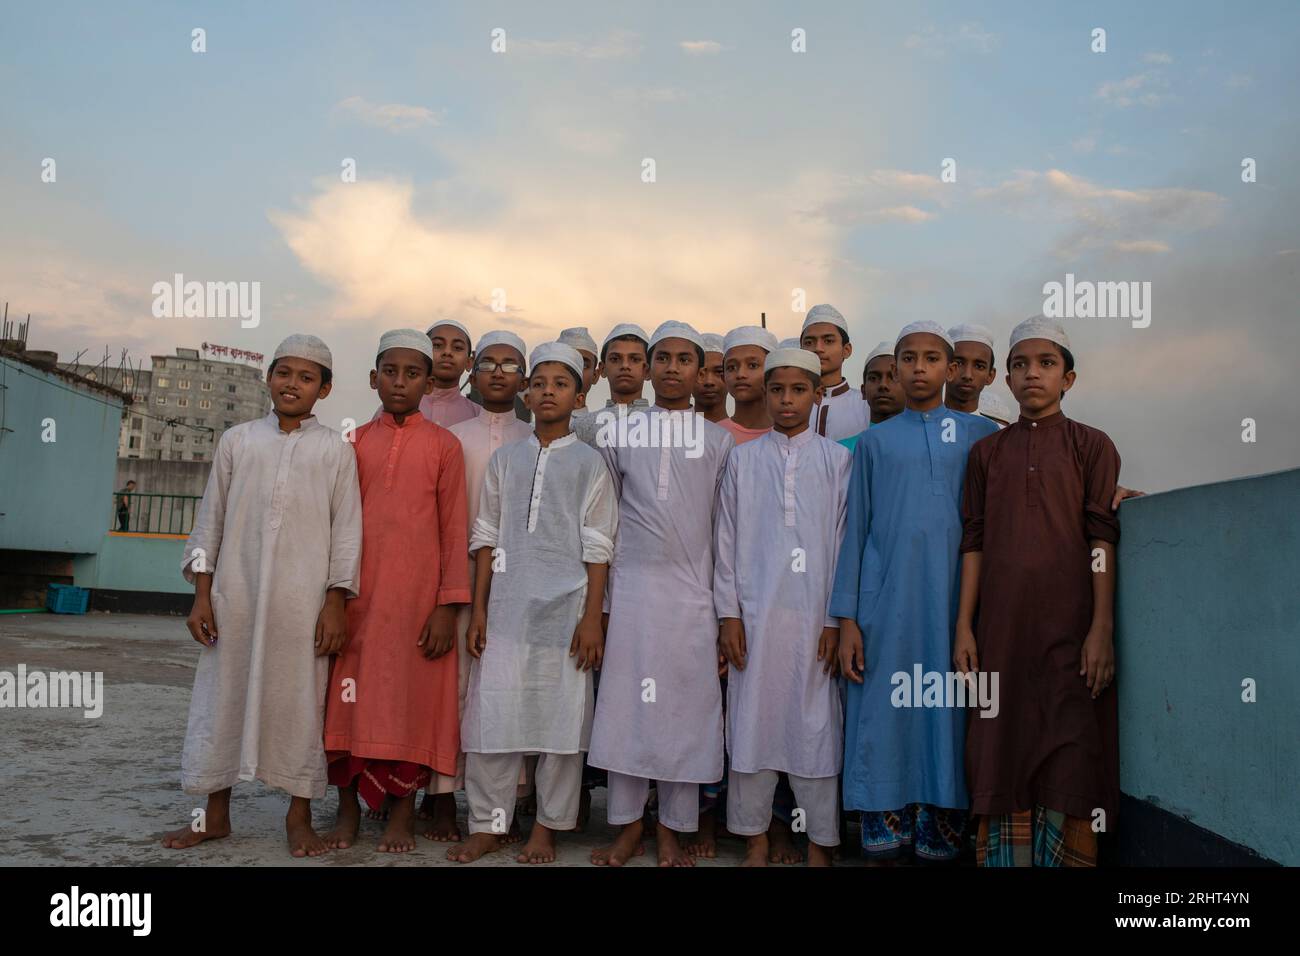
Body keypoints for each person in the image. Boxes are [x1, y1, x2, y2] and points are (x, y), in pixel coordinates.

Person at [161, 334, 362, 857]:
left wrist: (336, 601)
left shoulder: (335, 451)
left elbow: (347, 533)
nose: (292, 384)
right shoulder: (238, 441)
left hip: (304, 602)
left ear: (325, 389)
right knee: (221, 700)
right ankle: (213, 815)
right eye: (284, 373)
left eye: (306, 377)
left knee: (300, 704)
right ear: (268, 377)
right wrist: (202, 596)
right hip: (236, 597)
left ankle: (298, 819)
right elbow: (212, 521)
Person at [955, 316, 1121, 868]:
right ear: (1005, 378)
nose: (1033, 375)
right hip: (1000, 631)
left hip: (1070, 629)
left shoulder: (1093, 446)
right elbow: (973, 542)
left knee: (1072, 746)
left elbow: (1101, 539)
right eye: (1021, 365)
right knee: (997, 744)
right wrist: (965, 626)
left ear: (1068, 379)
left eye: (1046, 364)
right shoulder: (986, 455)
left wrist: (1101, 629)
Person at [830, 320, 999, 864]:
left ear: (951, 371)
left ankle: (942, 824)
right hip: (886, 608)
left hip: (956, 606)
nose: (919, 368)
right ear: (897, 367)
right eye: (909, 358)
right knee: (884, 711)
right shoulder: (875, 444)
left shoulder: (982, 439)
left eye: (931, 359)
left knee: (948, 711)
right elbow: (855, 531)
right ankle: (884, 824)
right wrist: (849, 620)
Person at [450, 342, 619, 864]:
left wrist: (592, 617)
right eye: (540, 382)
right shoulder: (507, 459)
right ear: (527, 390)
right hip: (504, 609)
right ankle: (489, 824)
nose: (548, 392)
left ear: (579, 393)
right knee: (492, 718)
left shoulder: (591, 464)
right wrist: (478, 610)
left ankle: (547, 827)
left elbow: (599, 546)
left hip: (567, 613)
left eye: (560, 383)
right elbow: (484, 536)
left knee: (561, 724)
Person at [588, 320, 734, 867]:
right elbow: (603, 523)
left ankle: (673, 829)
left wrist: (726, 614)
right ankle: (626, 829)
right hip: (632, 596)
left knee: (684, 716)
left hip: (694, 598)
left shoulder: (719, 442)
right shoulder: (618, 434)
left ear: (700, 371)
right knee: (626, 713)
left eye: (684, 359)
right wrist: (599, 608)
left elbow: (726, 532)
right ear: (649, 369)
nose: (672, 368)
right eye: (663, 358)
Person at [321, 330, 470, 853]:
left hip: (417, 606)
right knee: (345, 707)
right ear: (373, 378)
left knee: (411, 707)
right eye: (390, 372)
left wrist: (447, 608)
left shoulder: (444, 447)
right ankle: (346, 816)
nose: (400, 382)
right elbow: (335, 526)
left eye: (412, 374)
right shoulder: (352, 444)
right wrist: (334, 599)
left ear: (429, 383)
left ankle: (402, 816)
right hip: (357, 600)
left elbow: (455, 531)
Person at [715, 347, 851, 867]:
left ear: (817, 395)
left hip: (815, 620)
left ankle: (819, 842)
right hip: (754, 616)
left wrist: (834, 619)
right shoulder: (742, 460)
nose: (787, 400)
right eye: (777, 390)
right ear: (765, 394)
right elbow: (725, 539)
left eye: (798, 390)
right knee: (751, 723)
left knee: (815, 727)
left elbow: (843, 545)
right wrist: (728, 614)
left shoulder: (838, 461)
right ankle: (755, 839)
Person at [421, 330, 536, 842]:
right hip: (456, 579)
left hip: (518, 585)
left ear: (524, 379)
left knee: (507, 689)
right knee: (454, 687)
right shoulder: (454, 439)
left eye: (510, 364)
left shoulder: (534, 443)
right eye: (488, 362)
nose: (497, 372)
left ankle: (507, 804)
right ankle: (442, 794)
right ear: (474, 371)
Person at [374, 320, 481, 427]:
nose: (447, 352)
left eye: (457, 348)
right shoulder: (395, 407)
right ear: (424, 358)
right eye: (437, 345)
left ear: (469, 362)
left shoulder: (478, 415)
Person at [801, 304, 870, 442]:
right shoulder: (789, 405)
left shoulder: (865, 405)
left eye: (828, 341)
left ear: (847, 350)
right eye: (809, 342)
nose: (818, 348)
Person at [575, 323, 651, 447]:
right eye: (615, 359)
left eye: (635, 359)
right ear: (602, 369)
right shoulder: (581, 427)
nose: (625, 365)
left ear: (648, 370)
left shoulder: (664, 424)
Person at [718, 326, 778, 445]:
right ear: (723, 377)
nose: (740, 374)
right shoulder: (713, 436)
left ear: (772, 372)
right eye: (731, 367)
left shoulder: (789, 434)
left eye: (752, 365)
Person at [944, 323, 997, 416]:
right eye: (959, 363)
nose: (967, 375)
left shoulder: (994, 429)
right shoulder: (917, 426)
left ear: (990, 376)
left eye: (979, 366)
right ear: (944, 367)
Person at [558, 326, 600, 416]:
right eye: (568, 363)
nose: (575, 371)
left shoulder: (601, 428)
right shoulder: (528, 429)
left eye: (584, 365)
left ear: (595, 376)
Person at [693, 333, 728, 423]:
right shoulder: (674, 432)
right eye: (701, 373)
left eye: (718, 372)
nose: (709, 381)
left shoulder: (743, 434)